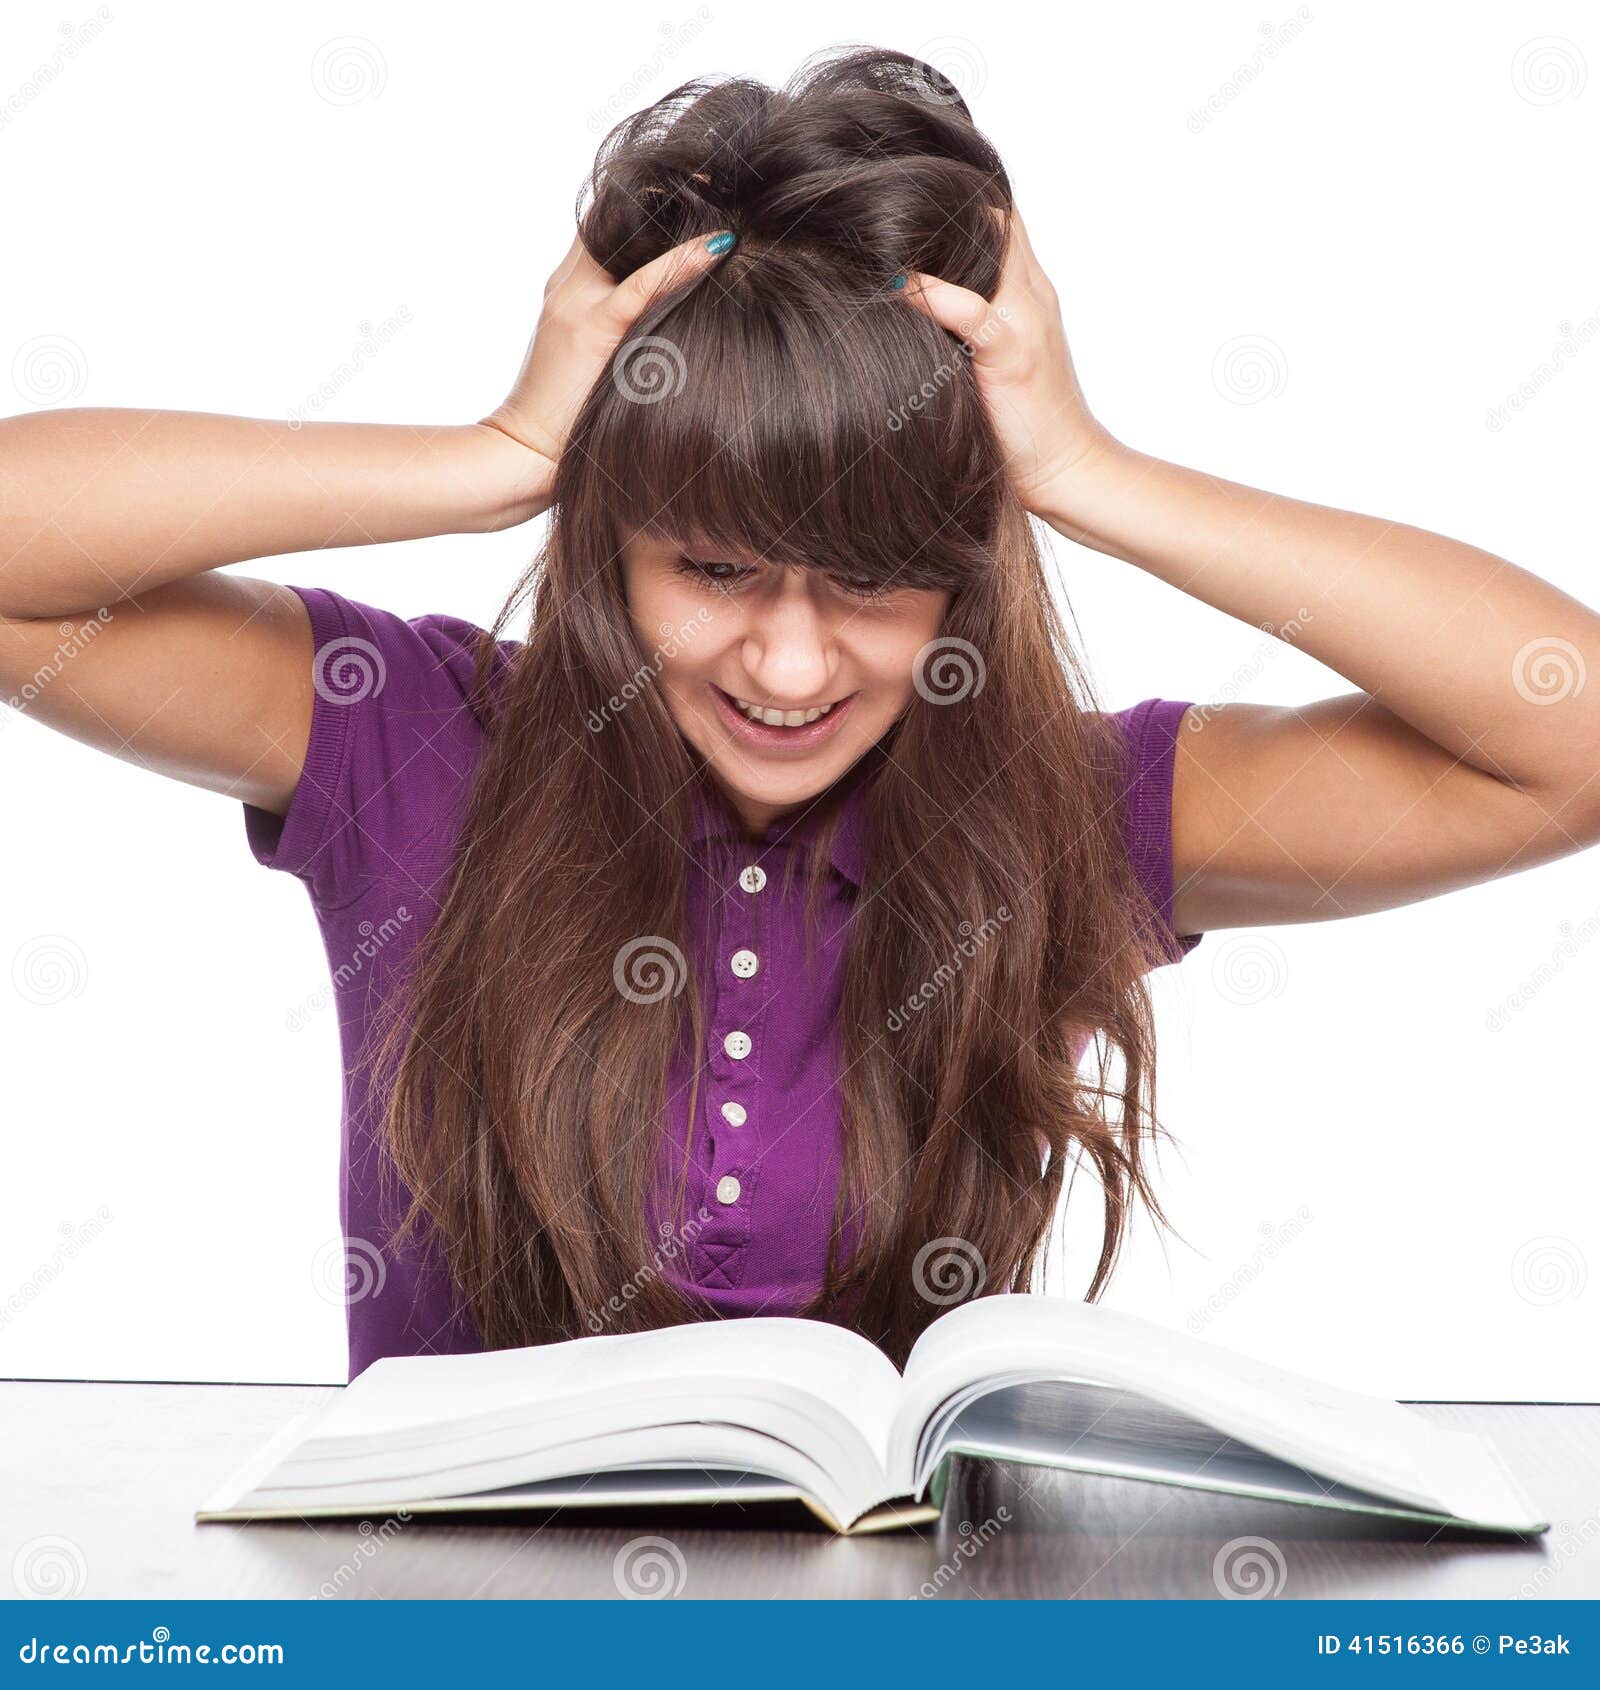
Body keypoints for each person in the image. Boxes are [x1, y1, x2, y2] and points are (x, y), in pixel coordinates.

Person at [4, 48, 1597, 1379]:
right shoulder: (409, 734)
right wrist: (491, 451)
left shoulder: (1062, 815)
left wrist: (1094, 476)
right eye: (712, 568)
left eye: (875, 582)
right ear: (606, 539)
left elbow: (1565, 736)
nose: (787, 665)